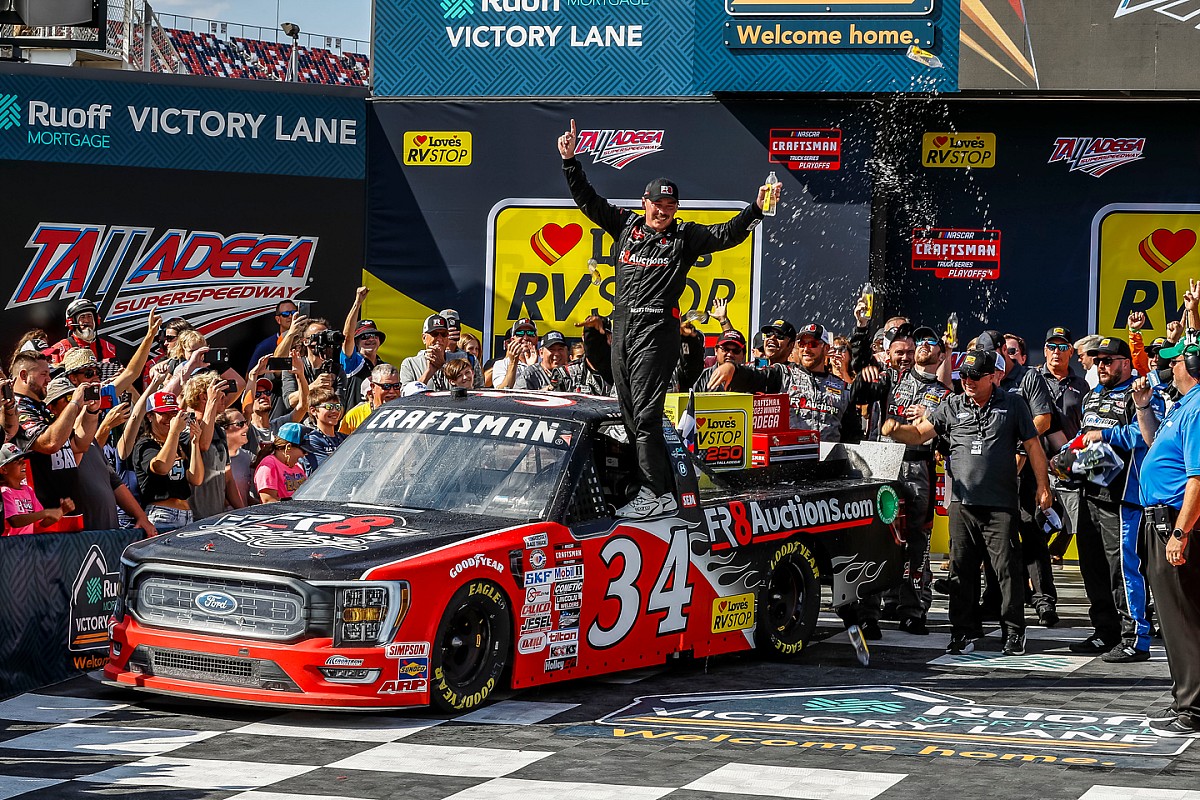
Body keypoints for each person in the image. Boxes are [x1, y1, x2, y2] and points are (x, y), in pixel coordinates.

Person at [559, 118, 775, 518]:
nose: (663, 211)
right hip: (622, 327)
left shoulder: (685, 236)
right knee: (626, 413)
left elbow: (728, 234)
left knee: (645, 414)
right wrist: (571, 161)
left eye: (670, 205)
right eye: (657, 204)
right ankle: (647, 486)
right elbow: (588, 200)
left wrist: (756, 209)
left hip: (657, 330)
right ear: (645, 203)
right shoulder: (625, 225)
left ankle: (655, 493)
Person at [884, 349, 1052, 657]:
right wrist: (897, 430)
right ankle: (962, 631)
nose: (968, 382)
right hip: (962, 504)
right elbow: (921, 433)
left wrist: (1043, 485)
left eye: (975, 377)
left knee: (1006, 571)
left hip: (1000, 505)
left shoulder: (1013, 404)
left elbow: (1033, 446)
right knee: (961, 571)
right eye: (964, 377)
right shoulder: (950, 405)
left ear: (993, 377)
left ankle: (1014, 632)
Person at [854, 324, 953, 636]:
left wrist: (931, 417)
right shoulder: (892, 378)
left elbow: (945, 435)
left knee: (917, 542)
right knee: (876, 538)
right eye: (916, 342)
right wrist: (863, 355)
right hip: (881, 464)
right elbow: (860, 384)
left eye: (929, 341)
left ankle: (912, 610)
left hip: (918, 466)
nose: (921, 346)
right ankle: (868, 611)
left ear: (941, 352)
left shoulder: (946, 395)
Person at [1070, 335, 1159, 662]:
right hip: (1090, 491)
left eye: (1108, 360)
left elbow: (1150, 433)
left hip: (1124, 497)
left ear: (1125, 362)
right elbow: (1083, 437)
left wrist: (1106, 434)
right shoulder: (1092, 395)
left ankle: (1135, 638)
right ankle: (1105, 631)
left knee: (1123, 569)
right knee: (1092, 567)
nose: (1101, 365)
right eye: (1097, 360)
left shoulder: (1141, 392)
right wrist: (1067, 455)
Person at [1134, 338, 1200, 737]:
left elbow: (1197, 479)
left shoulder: (1197, 408)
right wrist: (1143, 406)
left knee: (1183, 618)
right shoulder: (1182, 406)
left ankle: (1192, 709)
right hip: (1164, 520)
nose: (1167, 367)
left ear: (1190, 366)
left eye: (1174, 362)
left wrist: (1180, 532)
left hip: (1175, 523)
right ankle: (1186, 700)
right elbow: (1152, 443)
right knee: (1177, 617)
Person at [12, 354, 97, 513]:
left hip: (68, 513)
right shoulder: (18, 409)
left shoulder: (41, 408)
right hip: (43, 517)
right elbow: (50, 444)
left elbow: (80, 444)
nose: (49, 379)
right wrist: (74, 403)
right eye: (43, 374)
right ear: (24, 375)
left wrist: (92, 412)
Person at [132, 391, 204, 533]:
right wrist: (175, 432)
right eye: (163, 413)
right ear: (150, 416)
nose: (169, 418)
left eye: (173, 413)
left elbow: (197, 479)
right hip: (161, 514)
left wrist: (195, 443)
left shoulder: (179, 442)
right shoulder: (145, 444)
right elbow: (161, 467)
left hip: (187, 515)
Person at [1, 443, 75, 536]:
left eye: (22, 460)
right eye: (17, 462)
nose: (24, 463)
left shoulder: (28, 490)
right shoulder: (4, 492)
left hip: (28, 546)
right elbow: (15, 521)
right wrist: (45, 513)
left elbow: (42, 523)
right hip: (10, 547)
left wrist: (62, 511)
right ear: (4, 469)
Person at [46, 298, 123, 380]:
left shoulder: (109, 347)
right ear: (70, 322)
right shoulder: (59, 349)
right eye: (82, 317)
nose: (87, 321)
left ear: (96, 320)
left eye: (90, 316)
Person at [254, 422, 310, 503]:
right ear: (289, 447)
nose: (306, 454)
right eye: (304, 450)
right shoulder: (269, 466)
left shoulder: (298, 466)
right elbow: (268, 501)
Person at [341, 363, 403, 434]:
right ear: (373, 387)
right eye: (386, 386)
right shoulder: (354, 416)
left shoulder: (408, 414)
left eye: (396, 386)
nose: (392, 391)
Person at [398, 315, 455, 392]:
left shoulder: (460, 361)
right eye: (434, 334)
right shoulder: (410, 364)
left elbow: (471, 391)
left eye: (444, 334)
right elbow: (406, 397)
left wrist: (443, 366)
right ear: (424, 338)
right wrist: (428, 372)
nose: (439, 338)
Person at [246, 299, 298, 374]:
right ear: (278, 319)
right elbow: (250, 376)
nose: (290, 316)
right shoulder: (266, 345)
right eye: (285, 314)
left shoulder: (306, 340)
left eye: (293, 313)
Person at [301, 389, 346, 472]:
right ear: (313, 411)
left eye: (338, 407)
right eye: (329, 407)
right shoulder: (311, 440)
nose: (335, 411)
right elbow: (326, 469)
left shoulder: (345, 438)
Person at [220, 408, 255, 509]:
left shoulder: (246, 457)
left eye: (246, 423)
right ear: (224, 429)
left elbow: (246, 497)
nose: (246, 427)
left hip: (242, 519)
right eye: (240, 424)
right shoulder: (216, 459)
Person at [491, 319, 539, 389]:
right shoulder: (501, 364)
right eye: (520, 334)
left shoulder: (544, 362)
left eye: (530, 333)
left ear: (537, 339)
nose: (525, 338)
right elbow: (502, 391)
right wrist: (513, 363)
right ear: (512, 340)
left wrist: (533, 367)